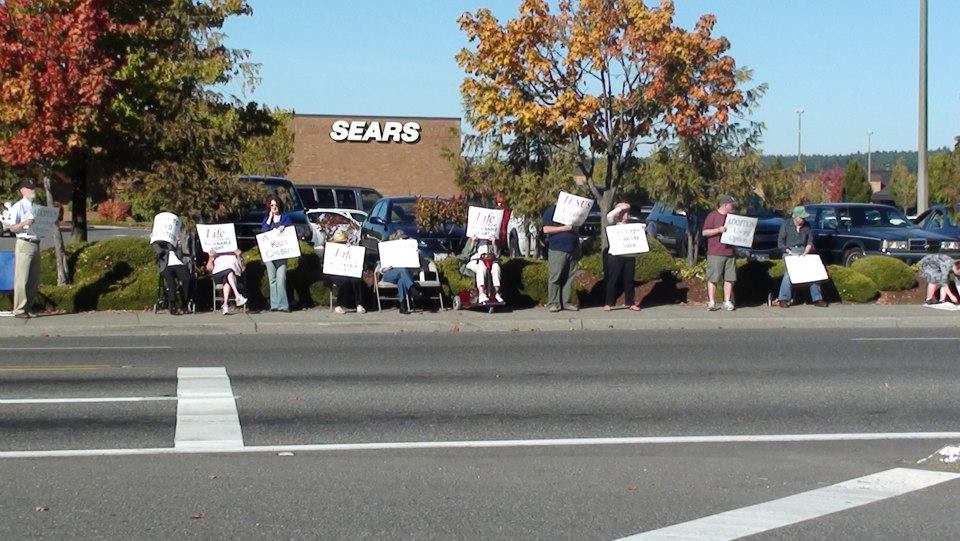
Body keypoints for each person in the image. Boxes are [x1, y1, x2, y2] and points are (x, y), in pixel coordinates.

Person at [776, 206, 827, 308]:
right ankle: (783, 298)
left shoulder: (807, 226)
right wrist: (790, 253)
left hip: (803, 251)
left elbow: (810, 242)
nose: (804, 220)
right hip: (789, 251)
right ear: (795, 217)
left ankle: (817, 299)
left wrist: (806, 252)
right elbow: (780, 243)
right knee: (789, 274)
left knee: (814, 272)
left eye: (804, 218)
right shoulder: (786, 224)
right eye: (802, 218)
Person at [8, 179, 41, 318]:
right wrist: (24, 223)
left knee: (34, 278)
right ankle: (19, 309)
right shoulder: (18, 206)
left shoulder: (36, 207)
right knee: (22, 278)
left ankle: (29, 306)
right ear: (22, 191)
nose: (32, 190)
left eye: (33, 188)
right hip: (24, 242)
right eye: (29, 188)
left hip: (36, 242)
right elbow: (12, 227)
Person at [542, 204, 581, 312]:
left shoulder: (572, 212)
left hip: (572, 248)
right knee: (556, 276)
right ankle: (553, 303)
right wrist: (565, 228)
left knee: (570, 277)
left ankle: (566, 302)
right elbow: (546, 229)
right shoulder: (551, 211)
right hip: (558, 248)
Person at [702, 195, 737, 311]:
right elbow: (704, 232)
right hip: (715, 252)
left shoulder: (732, 217)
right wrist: (718, 230)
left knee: (729, 278)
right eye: (731, 205)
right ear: (725, 205)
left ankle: (727, 301)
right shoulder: (712, 216)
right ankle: (711, 301)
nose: (733, 207)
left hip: (730, 252)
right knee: (713, 278)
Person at [604, 202, 641, 312]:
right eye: (624, 213)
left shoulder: (631, 226)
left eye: (627, 213)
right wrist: (620, 208)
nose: (626, 215)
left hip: (629, 256)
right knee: (613, 280)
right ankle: (608, 303)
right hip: (615, 256)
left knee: (629, 280)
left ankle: (630, 302)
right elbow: (609, 216)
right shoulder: (613, 224)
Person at [151, 225, 194, 315]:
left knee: (187, 279)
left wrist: (178, 244)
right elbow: (159, 251)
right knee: (172, 284)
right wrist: (165, 243)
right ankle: (172, 305)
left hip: (177, 263)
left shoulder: (174, 240)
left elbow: (180, 255)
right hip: (165, 265)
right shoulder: (157, 241)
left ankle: (185, 303)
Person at [379, 230, 423, 314]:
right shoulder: (388, 249)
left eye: (404, 239)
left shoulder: (408, 248)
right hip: (389, 274)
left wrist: (417, 255)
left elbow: (416, 266)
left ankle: (402, 306)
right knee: (402, 270)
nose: (402, 240)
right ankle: (412, 289)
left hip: (403, 275)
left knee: (402, 280)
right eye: (400, 239)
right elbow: (380, 268)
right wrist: (385, 269)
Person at [261, 197, 292, 312]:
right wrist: (270, 218)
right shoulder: (266, 219)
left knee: (281, 278)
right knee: (272, 279)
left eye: (276, 205)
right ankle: (274, 305)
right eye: (272, 205)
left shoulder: (285, 218)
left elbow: (289, 229)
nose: (274, 207)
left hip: (281, 253)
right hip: (270, 254)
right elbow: (264, 231)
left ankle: (283, 305)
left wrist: (283, 227)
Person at [326, 230, 367, 314]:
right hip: (333, 273)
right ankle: (339, 305)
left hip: (347, 270)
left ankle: (359, 304)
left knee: (356, 279)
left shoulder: (348, 249)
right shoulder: (330, 250)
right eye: (339, 242)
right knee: (344, 281)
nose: (341, 244)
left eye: (343, 242)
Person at [206, 249, 248, 315]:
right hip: (219, 274)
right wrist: (210, 257)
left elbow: (242, 268)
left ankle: (225, 304)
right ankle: (237, 295)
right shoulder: (215, 252)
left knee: (228, 276)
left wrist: (239, 256)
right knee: (229, 272)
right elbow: (209, 268)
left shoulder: (235, 251)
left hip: (233, 276)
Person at [463, 237, 504, 304]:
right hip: (475, 261)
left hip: (489, 261)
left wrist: (493, 243)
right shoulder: (473, 238)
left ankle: (496, 293)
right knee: (481, 266)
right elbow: (465, 255)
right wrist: (473, 242)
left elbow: (497, 255)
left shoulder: (492, 239)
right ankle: (481, 293)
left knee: (496, 267)